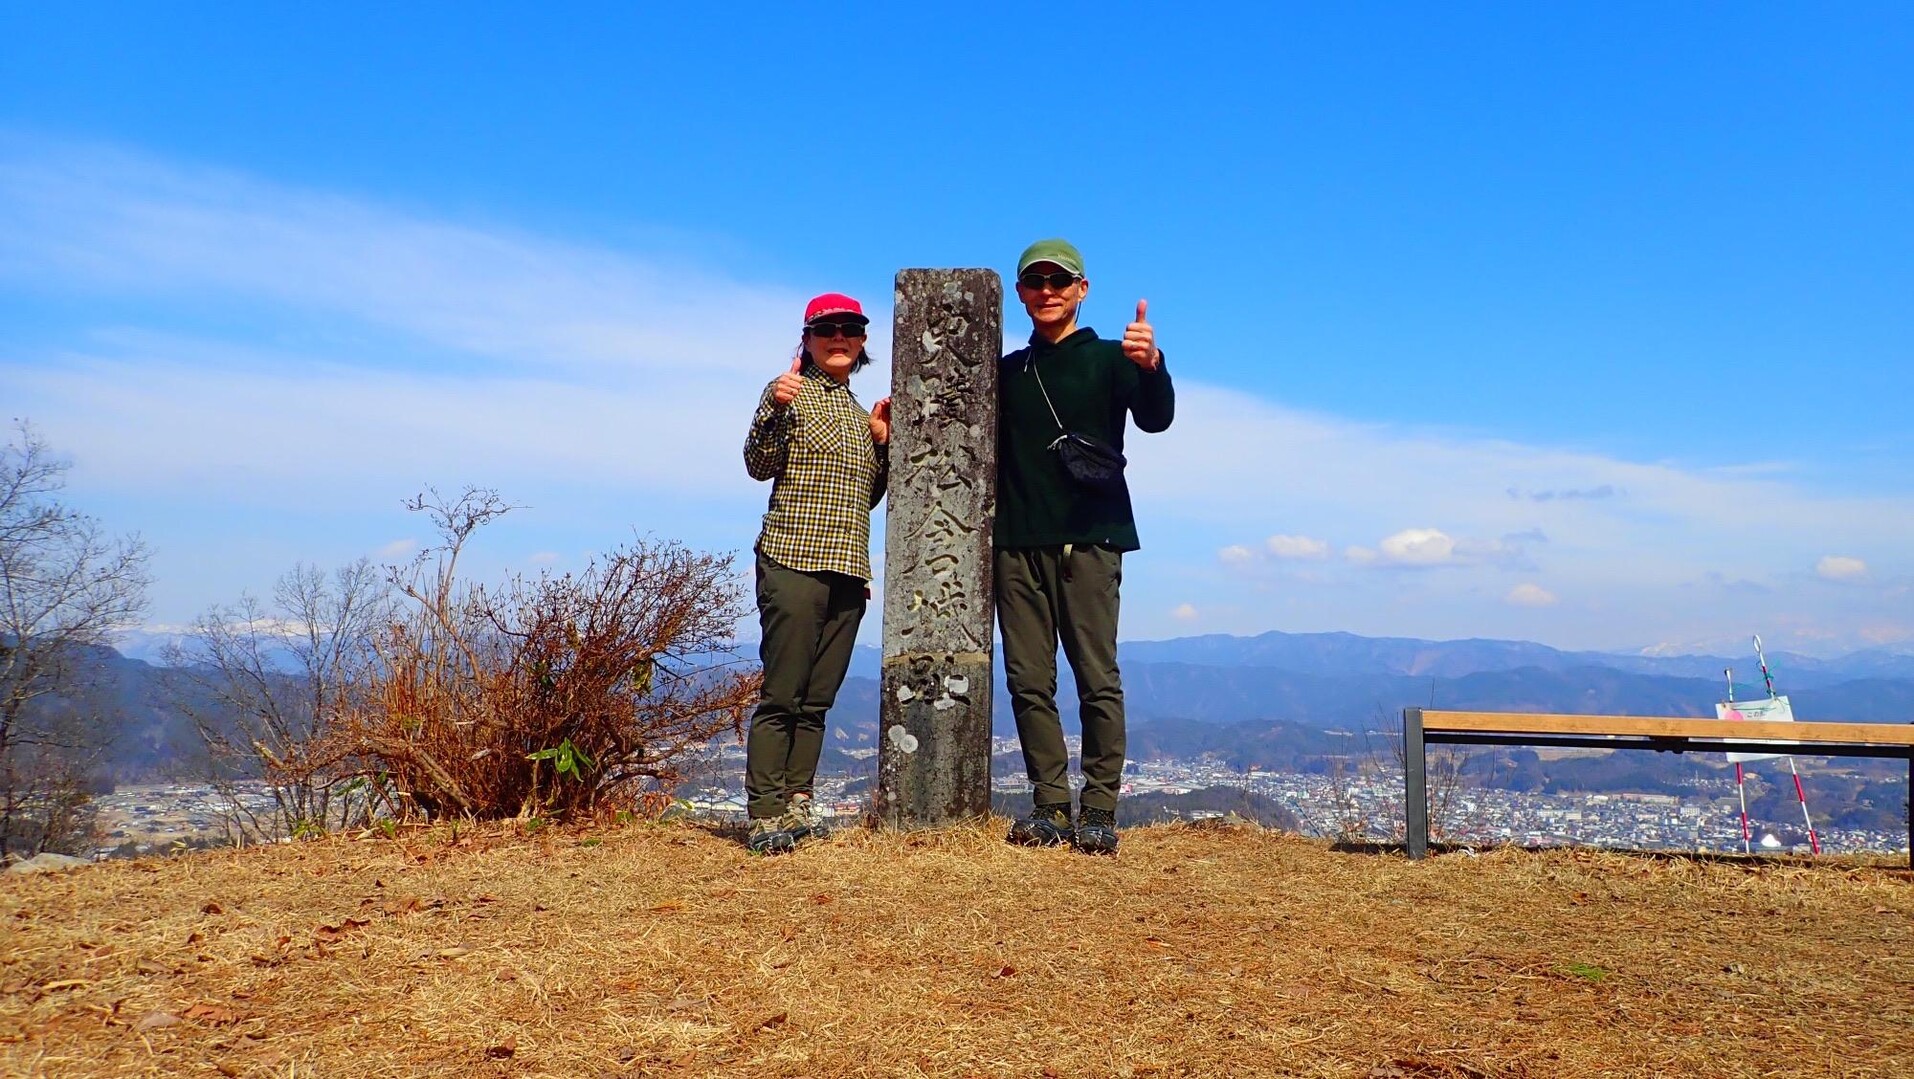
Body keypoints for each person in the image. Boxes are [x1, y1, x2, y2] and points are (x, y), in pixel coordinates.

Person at [996, 239, 1174, 854]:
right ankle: (1050, 807)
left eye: (1058, 280)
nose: (1046, 291)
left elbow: (1156, 420)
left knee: (1096, 677)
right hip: (1017, 543)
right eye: (1034, 282)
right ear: (1020, 293)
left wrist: (1152, 366)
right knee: (1028, 681)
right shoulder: (1007, 372)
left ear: (1081, 289)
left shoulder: (1111, 358)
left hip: (1092, 540)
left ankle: (1098, 809)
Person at [741, 292, 892, 854]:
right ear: (805, 338)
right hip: (792, 559)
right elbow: (758, 465)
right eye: (827, 329)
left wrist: (883, 447)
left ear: (861, 343)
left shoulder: (859, 414)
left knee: (818, 698)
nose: (839, 339)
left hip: (849, 570)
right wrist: (776, 410)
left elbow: (867, 497)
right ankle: (763, 812)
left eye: (850, 330)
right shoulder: (789, 393)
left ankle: (798, 802)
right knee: (782, 693)